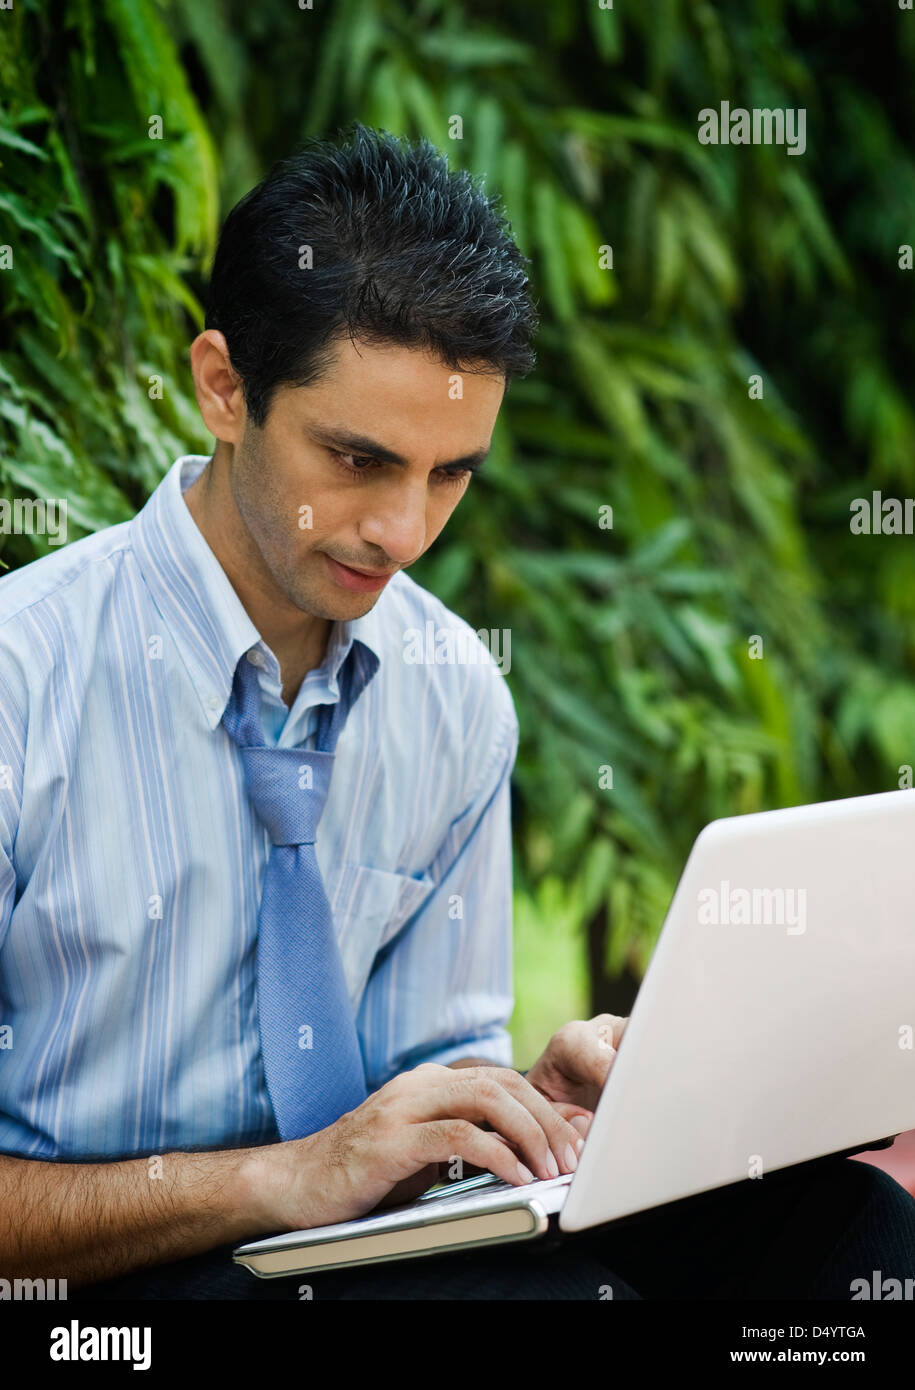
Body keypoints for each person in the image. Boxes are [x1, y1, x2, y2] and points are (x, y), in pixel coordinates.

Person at [1, 126, 912, 1301]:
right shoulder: (27, 679)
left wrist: (525, 1109)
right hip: (95, 1293)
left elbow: (409, 1120)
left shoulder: (451, 693)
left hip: (343, 1261)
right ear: (224, 388)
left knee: (845, 1233)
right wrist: (282, 1179)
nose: (407, 531)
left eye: (452, 471)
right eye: (359, 458)